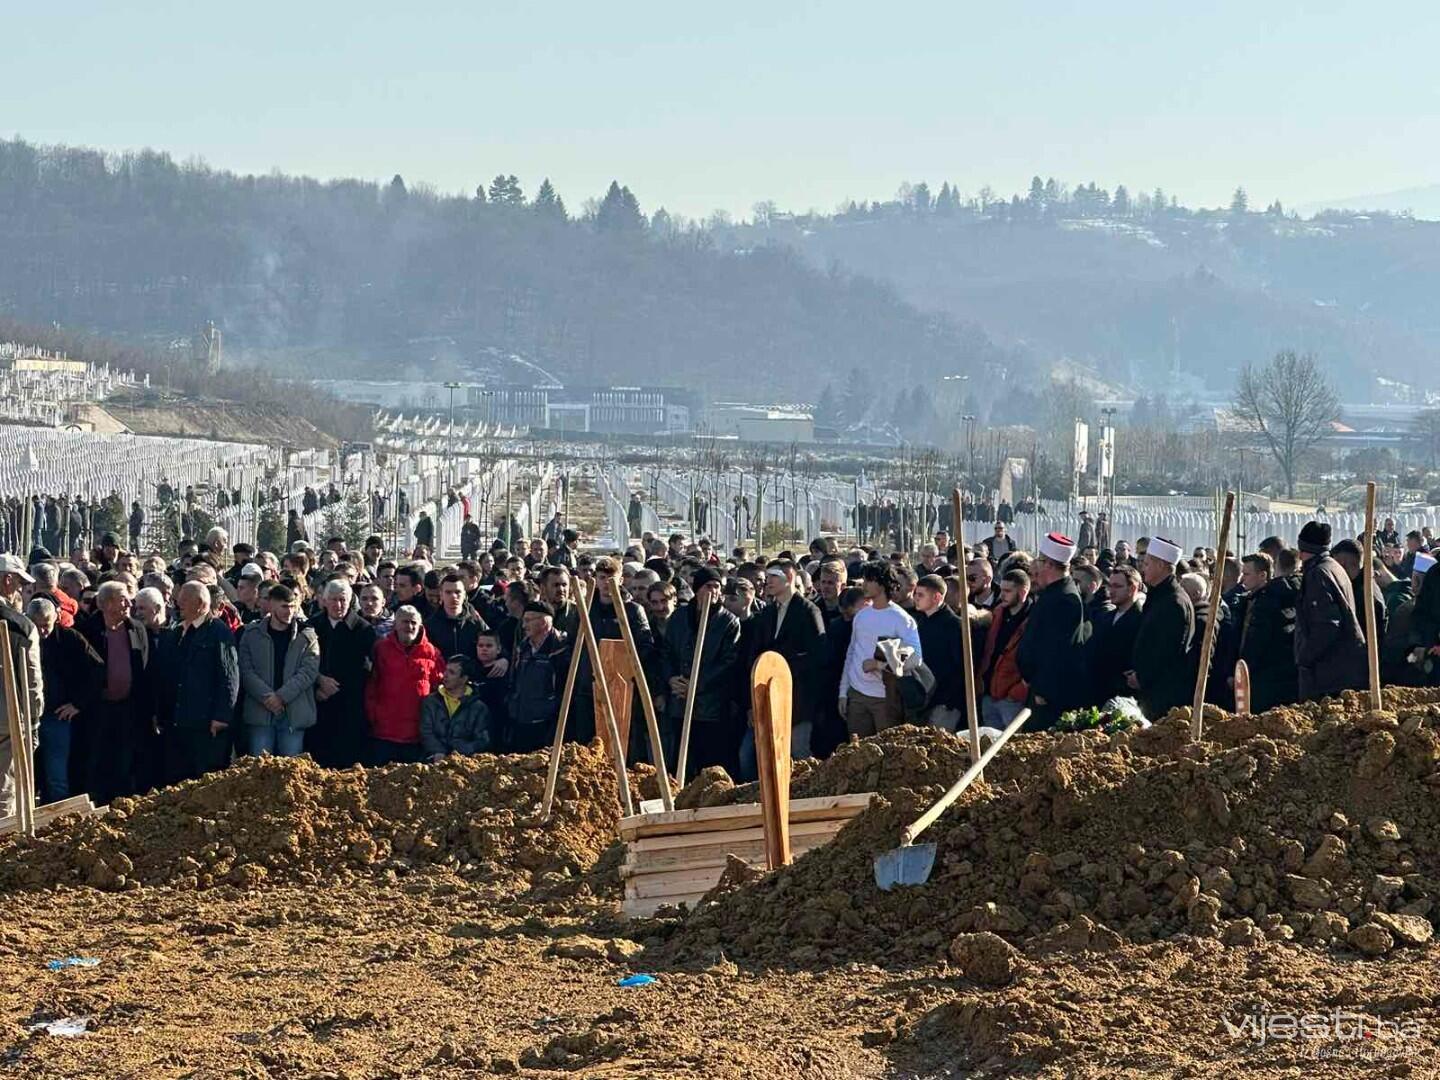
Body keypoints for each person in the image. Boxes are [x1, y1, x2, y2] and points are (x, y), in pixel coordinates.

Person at [155, 581, 240, 785]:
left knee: (204, 777)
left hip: (205, 722)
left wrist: (221, 716)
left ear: (201, 604)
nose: (178, 604)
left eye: (184, 600)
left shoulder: (218, 632)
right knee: (176, 776)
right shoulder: (177, 632)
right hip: (178, 719)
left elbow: (229, 676)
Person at [664, 567, 743, 777]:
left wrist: (696, 685)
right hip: (679, 703)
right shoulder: (679, 617)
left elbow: (728, 663)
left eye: (717, 587)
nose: (714, 591)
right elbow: (666, 652)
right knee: (681, 760)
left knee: (709, 762)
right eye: (709, 586)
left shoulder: (728, 622)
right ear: (697, 589)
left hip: (711, 707)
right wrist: (672, 679)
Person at [748, 560, 826, 757]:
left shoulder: (808, 611)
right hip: (767, 696)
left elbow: (818, 655)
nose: (768, 581)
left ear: (789, 577)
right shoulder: (767, 612)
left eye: (774, 576)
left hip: (799, 699)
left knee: (798, 752)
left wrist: (786, 668)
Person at [29, 597, 102, 803]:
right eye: (37, 626)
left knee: (57, 774)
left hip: (56, 715)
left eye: (46, 625)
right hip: (27, 714)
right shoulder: (22, 639)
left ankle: (57, 818)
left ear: (57, 619)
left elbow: (97, 670)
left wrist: (78, 703)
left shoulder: (70, 639)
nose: (42, 631)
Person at [1015, 533, 1090, 730]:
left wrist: (1043, 689)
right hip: (1036, 686)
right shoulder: (1053, 593)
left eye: (1039, 561)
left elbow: (1058, 649)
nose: (1035, 567)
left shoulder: (1065, 599)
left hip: (1047, 694)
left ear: (1049, 564)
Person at [839, 561, 921, 737]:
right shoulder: (861, 615)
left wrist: (879, 664)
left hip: (885, 698)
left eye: (869, 580)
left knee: (886, 754)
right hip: (857, 694)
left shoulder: (901, 619)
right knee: (857, 753)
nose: (864, 584)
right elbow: (851, 653)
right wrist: (843, 692)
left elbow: (916, 658)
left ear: (883, 584)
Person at [238, 583, 320, 757]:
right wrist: (268, 697)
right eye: (284, 606)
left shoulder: (307, 636)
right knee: (259, 771)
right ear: (271, 605)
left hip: (293, 714)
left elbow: (308, 671)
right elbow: (246, 670)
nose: (289, 612)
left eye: (292, 606)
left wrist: (281, 697)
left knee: (290, 771)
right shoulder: (251, 634)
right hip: (260, 713)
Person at [307, 578, 378, 768]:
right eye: (334, 599)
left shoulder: (363, 629)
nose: (338, 605)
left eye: (343, 600)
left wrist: (337, 687)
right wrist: (319, 682)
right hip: (318, 702)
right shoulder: (313, 626)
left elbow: (368, 668)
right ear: (324, 600)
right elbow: (302, 662)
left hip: (350, 705)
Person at [1294, 521, 1366, 701]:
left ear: (1302, 549)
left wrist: (1305, 657)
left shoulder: (1317, 574)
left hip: (1328, 674)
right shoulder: (1334, 567)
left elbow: (1327, 625)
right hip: (1342, 670)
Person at [364, 605, 445, 764]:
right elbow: (371, 685)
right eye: (404, 622)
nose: (409, 626)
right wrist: (374, 714)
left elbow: (440, 688)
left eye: (413, 622)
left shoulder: (432, 653)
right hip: (385, 732)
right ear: (395, 624)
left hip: (417, 734)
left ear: (420, 626)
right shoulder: (381, 649)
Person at [1129, 537, 1195, 720]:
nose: (1143, 568)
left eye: (1148, 564)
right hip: (1151, 690)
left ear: (1160, 565)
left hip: (1163, 695)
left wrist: (1142, 676)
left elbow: (1165, 650)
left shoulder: (1174, 602)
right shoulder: (1159, 596)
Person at [1235, 552, 1299, 711]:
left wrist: (1244, 667)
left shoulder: (1267, 603)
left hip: (1265, 677)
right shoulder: (1257, 599)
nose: (1242, 578)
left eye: (1247, 574)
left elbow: (1256, 641)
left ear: (1262, 575)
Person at [505, 601, 570, 753]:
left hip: (547, 723)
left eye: (528, 620)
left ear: (544, 622)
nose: (523, 625)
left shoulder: (560, 649)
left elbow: (564, 689)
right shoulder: (523, 647)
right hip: (521, 719)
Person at [977, 568, 1031, 729]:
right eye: (1001, 590)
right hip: (989, 691)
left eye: (1008, 591)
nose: (1002, 595)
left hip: (1012, 697)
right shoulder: (999, 612)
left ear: (1022, 592)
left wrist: (1017, 691)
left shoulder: (1033, 619)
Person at [913, 574, 964, 731]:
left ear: (936, 597)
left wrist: (949, 701)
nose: (915, 598)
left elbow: (961, 666)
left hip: (944, 702)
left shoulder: (955, 625)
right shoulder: (920, 622)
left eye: (921, 595)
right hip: (922, 699)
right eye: (915, 594)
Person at [420, 656, 494, 760]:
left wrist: (456, 755)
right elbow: (426, 732)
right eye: (445, 670)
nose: (445, 675)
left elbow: (482, 740)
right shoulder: (431, 701)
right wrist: (438, 752)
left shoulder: (478, 708)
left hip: (464, 763)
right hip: (432, 760)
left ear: (464, 679)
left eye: (452, 672)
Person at [1092, 565, 1144, 702]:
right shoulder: (1106, 617)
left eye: (1117, 586)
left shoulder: (1142, 619)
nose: (1111, 591)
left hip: (1125, 695)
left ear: (1132, 588)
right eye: (1110, 585)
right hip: (1100, 690)